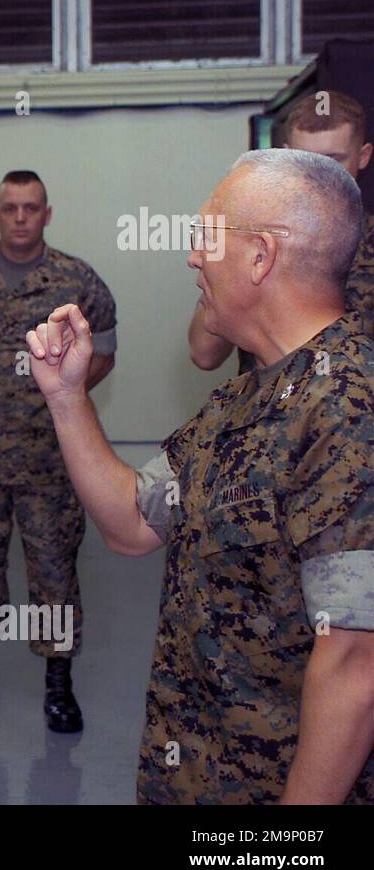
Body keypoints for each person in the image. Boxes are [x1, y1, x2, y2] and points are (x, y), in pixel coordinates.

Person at [26, 149, 374, 803]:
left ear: (260, 256)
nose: (192, 258)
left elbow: (357, 662)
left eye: (205, 238)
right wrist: (67, 396)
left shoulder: (349, 404)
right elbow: (132, 521)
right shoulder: (244, 400)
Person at [0, 170, 116, 733]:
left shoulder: (75, 280)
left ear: (46, 213)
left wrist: (64, 397)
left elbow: (103, 349)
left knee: (54, 571)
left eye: (30, 208)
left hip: (49, 459)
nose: (19, 217)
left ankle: (58, 685)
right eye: (9, 207)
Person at [189, 89, 373, 371]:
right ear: (286, 156)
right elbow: (204, 354)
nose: (317, 179)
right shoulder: (255, 237)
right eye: (305, 162)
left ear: (363, 156)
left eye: (333, 161)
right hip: (268, 407)